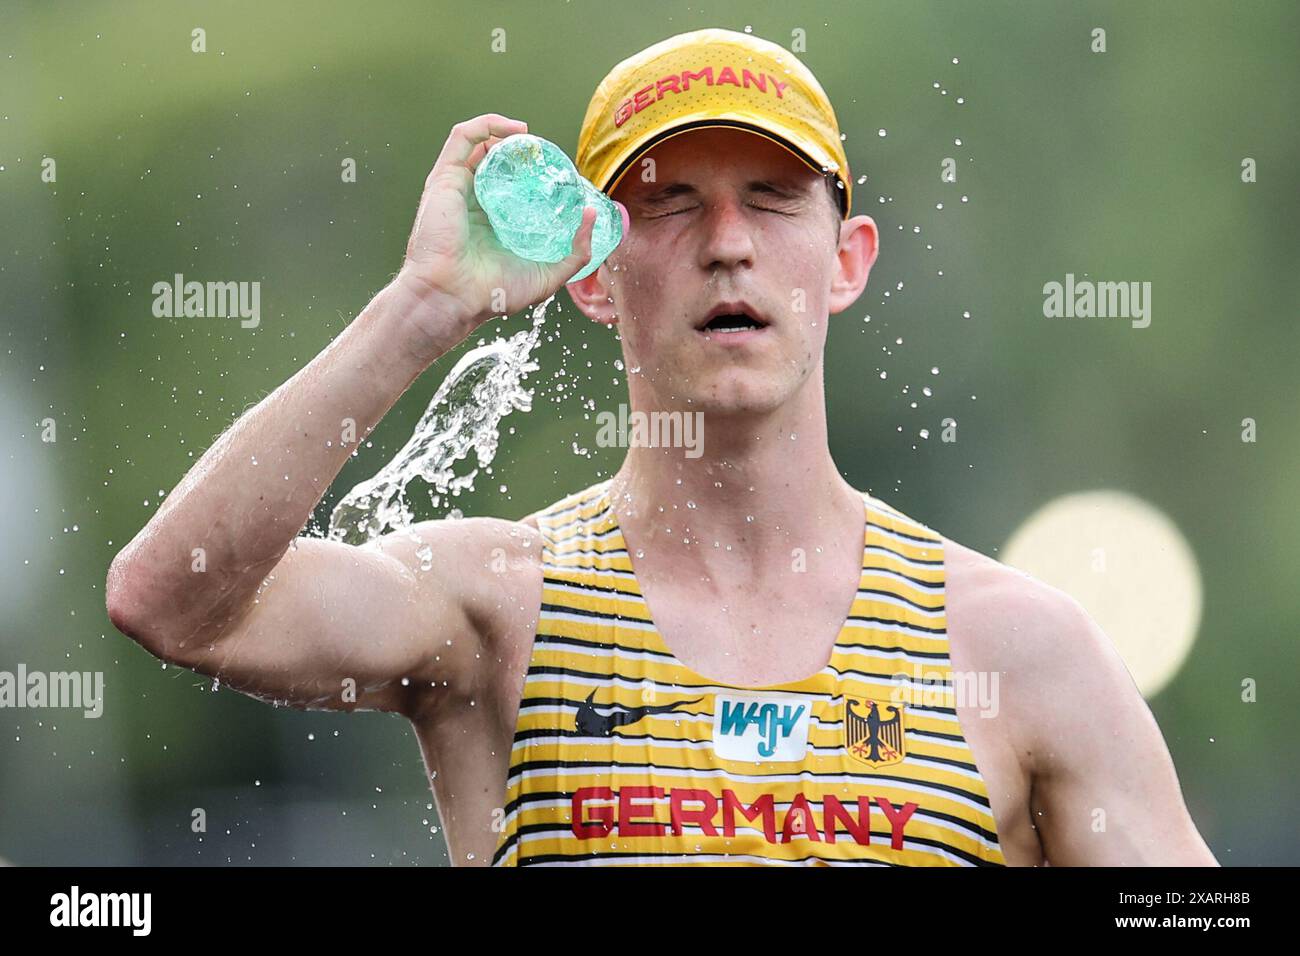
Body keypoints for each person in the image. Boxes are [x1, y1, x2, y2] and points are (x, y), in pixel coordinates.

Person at [106, 27, 1216, 867]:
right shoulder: (497, 607)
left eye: (774, 200)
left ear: (845, 258)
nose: (728, 245)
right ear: (590, 269)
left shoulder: (1024, 654)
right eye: (670, 204)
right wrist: (424, 306)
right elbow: (173, 600)